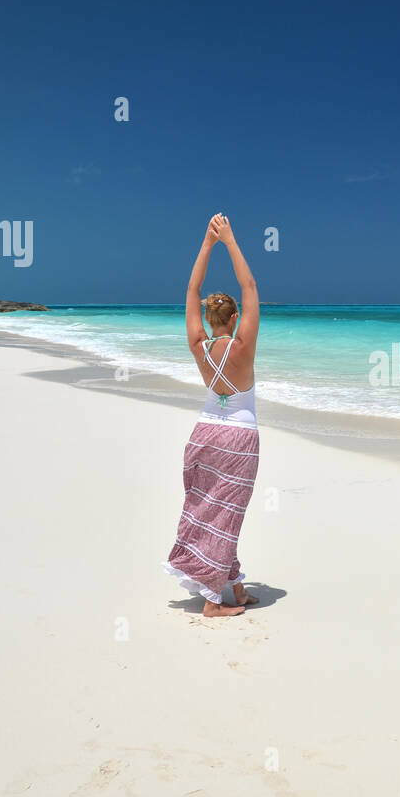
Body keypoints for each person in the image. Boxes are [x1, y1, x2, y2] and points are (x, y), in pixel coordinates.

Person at [162, 213, 261, 616]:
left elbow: (191, 288)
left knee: (207, 508)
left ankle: (234, 586)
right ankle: (212, 601)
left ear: (208, 319)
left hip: (202, 434)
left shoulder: (198, 344)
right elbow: (250, 286)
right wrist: (231, 241)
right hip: (238, 439)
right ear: (235, 318)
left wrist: (207, 243)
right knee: (228, 514)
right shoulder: (243, 347)